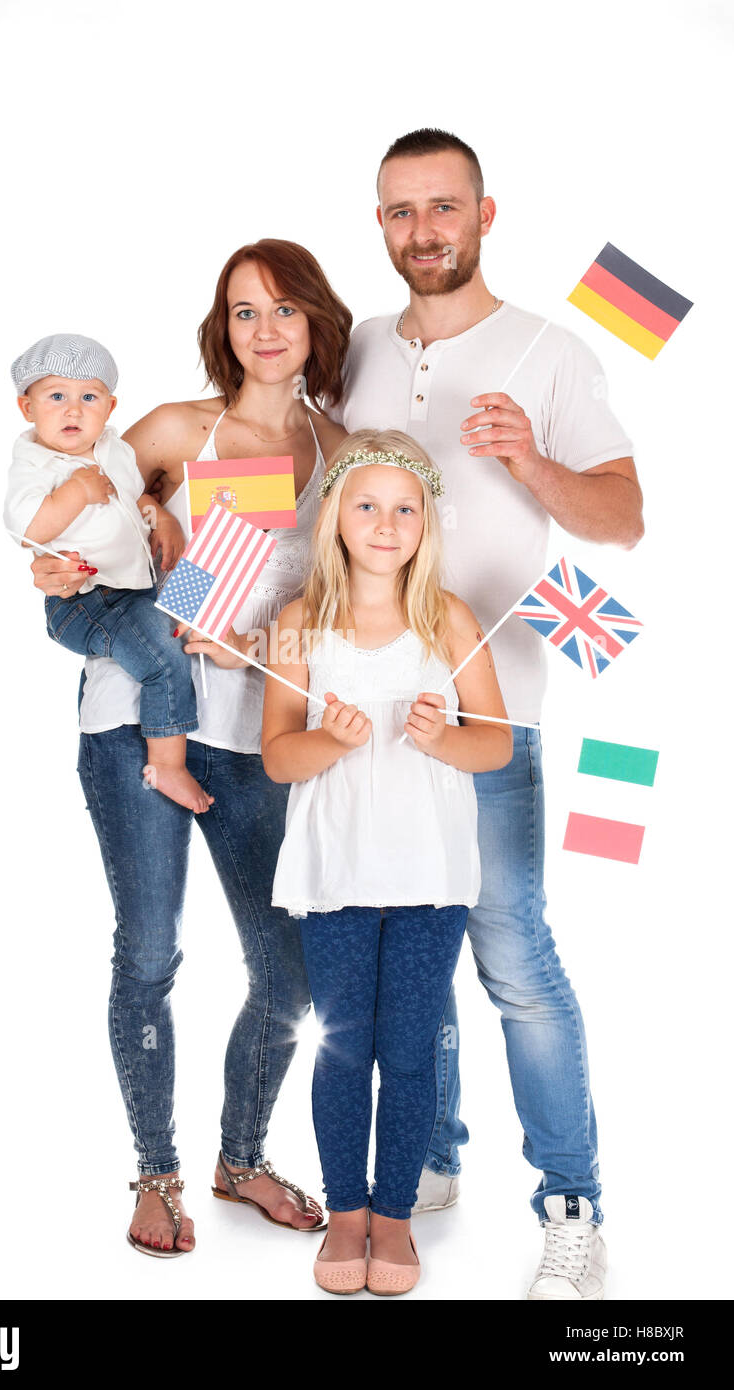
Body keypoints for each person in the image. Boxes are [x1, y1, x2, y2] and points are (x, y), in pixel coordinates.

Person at [336, 128, 644, 1300]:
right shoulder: (359, 347)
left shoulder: (548, 351)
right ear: (380, 225)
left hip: (496, 702)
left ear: (484, 212)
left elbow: (621, 519)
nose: (423, 230)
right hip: (365, 708)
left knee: (511, 956)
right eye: (400, 211)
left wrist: (531, 468)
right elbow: (282, 478)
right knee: (404, 942)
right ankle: (429, 1160)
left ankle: (572, 1209)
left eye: (442, 207)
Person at [29, 241, 350, 1255]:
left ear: (313, 327)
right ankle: (155, 1170)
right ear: (224, 327)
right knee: (152, 950)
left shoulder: (337, 449)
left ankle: (239, 1157)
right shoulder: (175, 426)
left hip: (253, 727)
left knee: (289, 971)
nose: (263, 329)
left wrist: (263, 636)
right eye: (242, 311)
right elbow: (91, 519)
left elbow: (344, 592)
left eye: (283, 311)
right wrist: (74, 557)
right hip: (138, 717)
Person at [263, 430, 512, 1295]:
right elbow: (276, 757)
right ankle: (346, 1214)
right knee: (341, 1049)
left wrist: (447, 737)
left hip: (429, 877)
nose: (385, 522)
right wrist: (326, 741)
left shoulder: (449, 618)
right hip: (334, 874)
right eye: (366, 504)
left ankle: (395, 1218)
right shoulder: (299, 622)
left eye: (405, 508)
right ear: (334, 515)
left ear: (426, 524)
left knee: (409, 1048)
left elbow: (497, 746)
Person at [5, 333, 211, 812]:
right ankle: (167, 764)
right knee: (162, 654)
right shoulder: (36, 464)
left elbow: (132, 493)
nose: (73, 411)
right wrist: (75, 491)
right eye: (56, 396)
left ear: (110, 405)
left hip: (135, 586)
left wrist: (159, 513)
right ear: (27, 407)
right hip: (85, 600)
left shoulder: (113, 448)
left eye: (89, 398)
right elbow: (25, 526)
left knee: (194, 607)